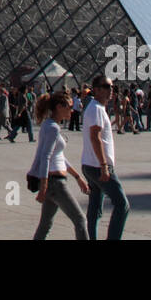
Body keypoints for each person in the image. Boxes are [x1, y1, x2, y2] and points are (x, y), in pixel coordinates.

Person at [29, 90, 91, 240]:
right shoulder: (53, 128)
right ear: (58, 107)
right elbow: (46, 157)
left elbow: (59, 156)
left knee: (45, 225)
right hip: (55, 183)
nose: (72, 110)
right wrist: (43, 187)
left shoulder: (49, 125)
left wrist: (77, 177)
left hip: (53, 182)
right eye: (69, 107)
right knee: (80, 220)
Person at [81, 75, 130, 240]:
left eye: (112, 86)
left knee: (95, 208)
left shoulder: (96, 108)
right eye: (107, 86)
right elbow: (95, 137)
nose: (111, 90)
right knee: (122, 204)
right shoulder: (95, 109)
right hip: (98, 166)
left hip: (90, 164)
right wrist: (104, 165)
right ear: (96, 89)